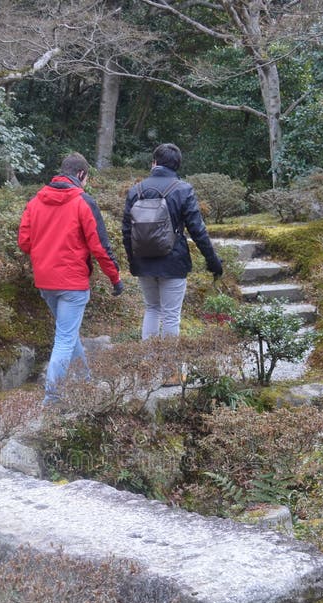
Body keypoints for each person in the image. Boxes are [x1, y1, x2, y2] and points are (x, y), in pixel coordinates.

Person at [18, 152, 124, 405]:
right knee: (65, 338)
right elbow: (100, 247)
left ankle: (85, 382)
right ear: (80, 174)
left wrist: (46, 251)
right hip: (73, 283)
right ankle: (52, 400)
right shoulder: (83, 202)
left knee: (68, 333)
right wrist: (115, 279)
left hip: (45, 281)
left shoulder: (35, 202)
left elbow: (24, 242)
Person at [122, 142, 223, 340]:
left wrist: (132, 262)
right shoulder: (183, 190)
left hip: (143, 261)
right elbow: (198, 231)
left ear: (154, 163)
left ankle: (148, 366)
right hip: (173, 262)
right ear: (177, 165)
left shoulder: (136, 190)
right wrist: (213, 261)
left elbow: (127, 231)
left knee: (151, 309)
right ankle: (169, 370)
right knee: (170, 315)